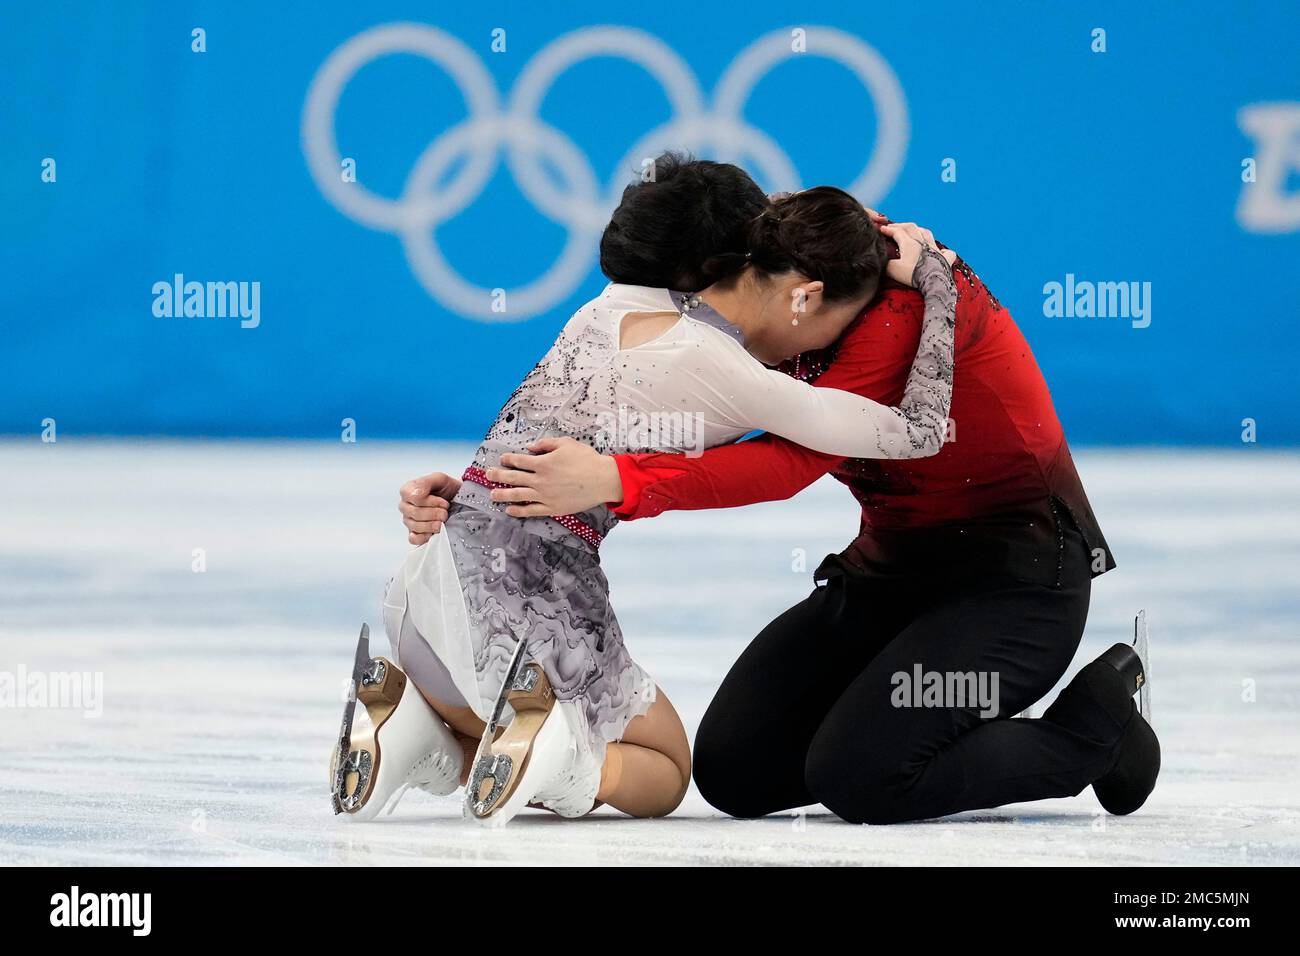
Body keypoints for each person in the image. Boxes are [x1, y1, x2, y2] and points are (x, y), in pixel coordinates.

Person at [402, 196, 1161, 826]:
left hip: (1015, 583)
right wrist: (488, 493)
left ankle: (1093, 731)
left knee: (865, 775)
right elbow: (633, 396)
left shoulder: (893, 315)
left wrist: (616, 480)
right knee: (735, 771)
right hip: (889, 576)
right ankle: (905, 720)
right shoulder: (791, 262)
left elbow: (792, 461)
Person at [336, 158, 960, 826]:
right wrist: (937, 277)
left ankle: (415, 739)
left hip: (423, 595)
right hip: (511, 630)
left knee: (515, 727)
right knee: (664, 770)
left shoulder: (599, 310)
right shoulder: (727, 370)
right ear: (795, 289)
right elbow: (922, 430)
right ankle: (553, 748)